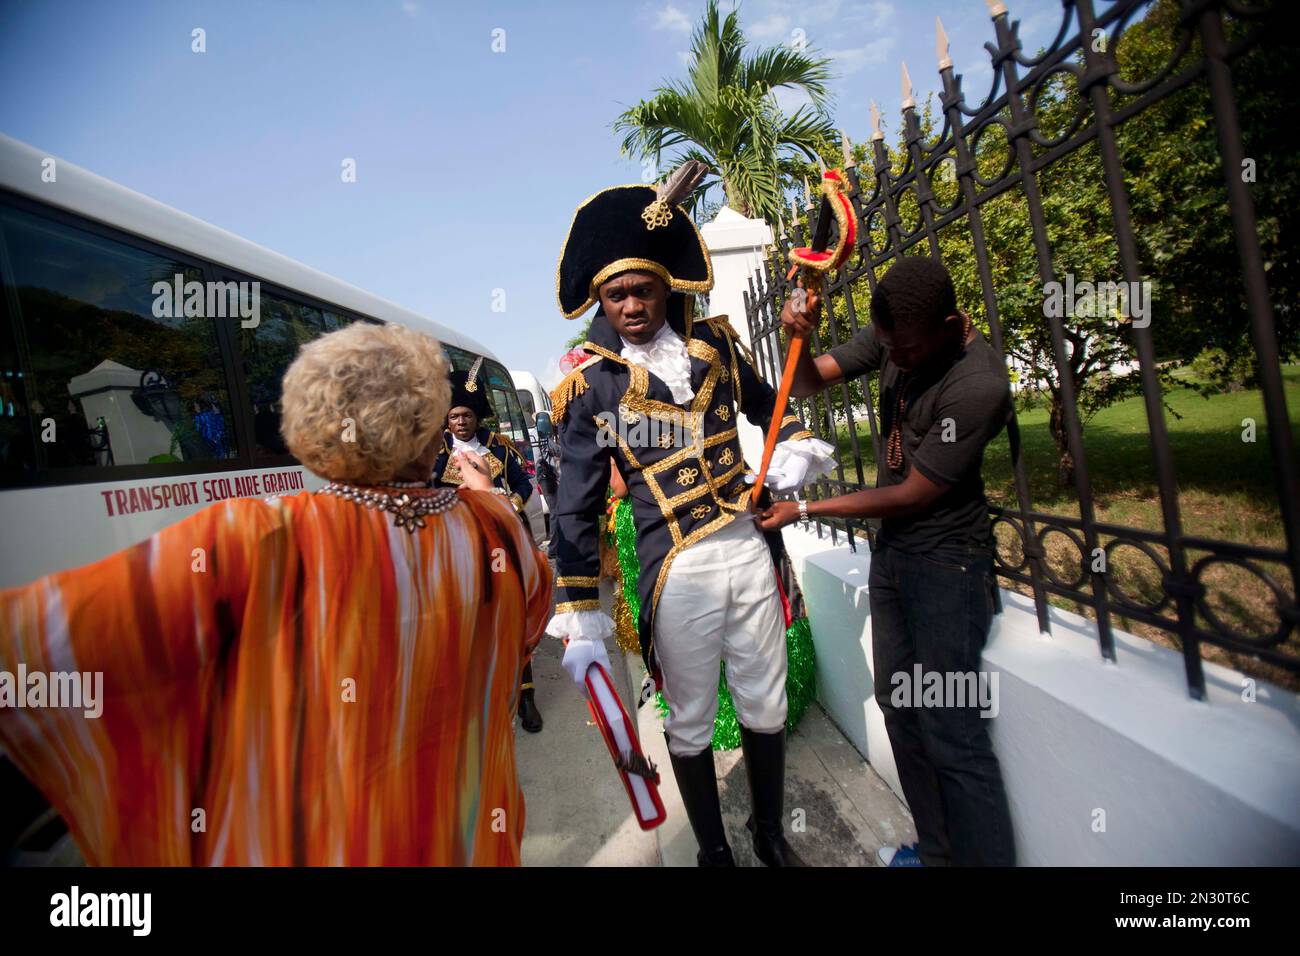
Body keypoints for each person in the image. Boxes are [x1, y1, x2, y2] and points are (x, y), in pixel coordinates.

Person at [0, 322, 552, 865]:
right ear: (432, 426)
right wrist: (485, 494)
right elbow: (531, 619)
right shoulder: (493, 528)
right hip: (471, 839)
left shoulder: (256, 538)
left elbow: (36, 646)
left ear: (309, 428)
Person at [547, 163, 833, 866]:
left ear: (663, 284)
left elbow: (775, 409)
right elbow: (574, 508)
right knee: (693, 718)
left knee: (765, 703)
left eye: (642, 289)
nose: (631, 307)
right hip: (673, 567)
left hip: (748, 547)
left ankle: (770, 836)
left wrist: (795, 447)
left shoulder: (719, 344)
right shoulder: (588, 388)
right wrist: (579, 606)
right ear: (601, 300)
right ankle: (713, 852)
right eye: (615, 296)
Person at [758, 255, 1016, 867]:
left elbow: (913, 493)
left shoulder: (978, 384)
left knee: (953, 733)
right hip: (896, 553)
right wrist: (801, 334)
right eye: (888, 346)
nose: (896, 358)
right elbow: (806, 381)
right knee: (900, 707)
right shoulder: (897, 333)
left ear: (951, 327)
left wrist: (805, 510)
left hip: (949, 565)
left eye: (908, 348)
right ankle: (937, 855)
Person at [432, 358, 544, 733]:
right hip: (461, 546)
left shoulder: (500, 447)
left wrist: (504, 504)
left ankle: (526, 697)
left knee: (512, 616)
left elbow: (525, 485)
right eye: (454, 416)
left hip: (503, 541)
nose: (461, 422)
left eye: (466, 415)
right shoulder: (437, 453)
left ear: (477, 416)